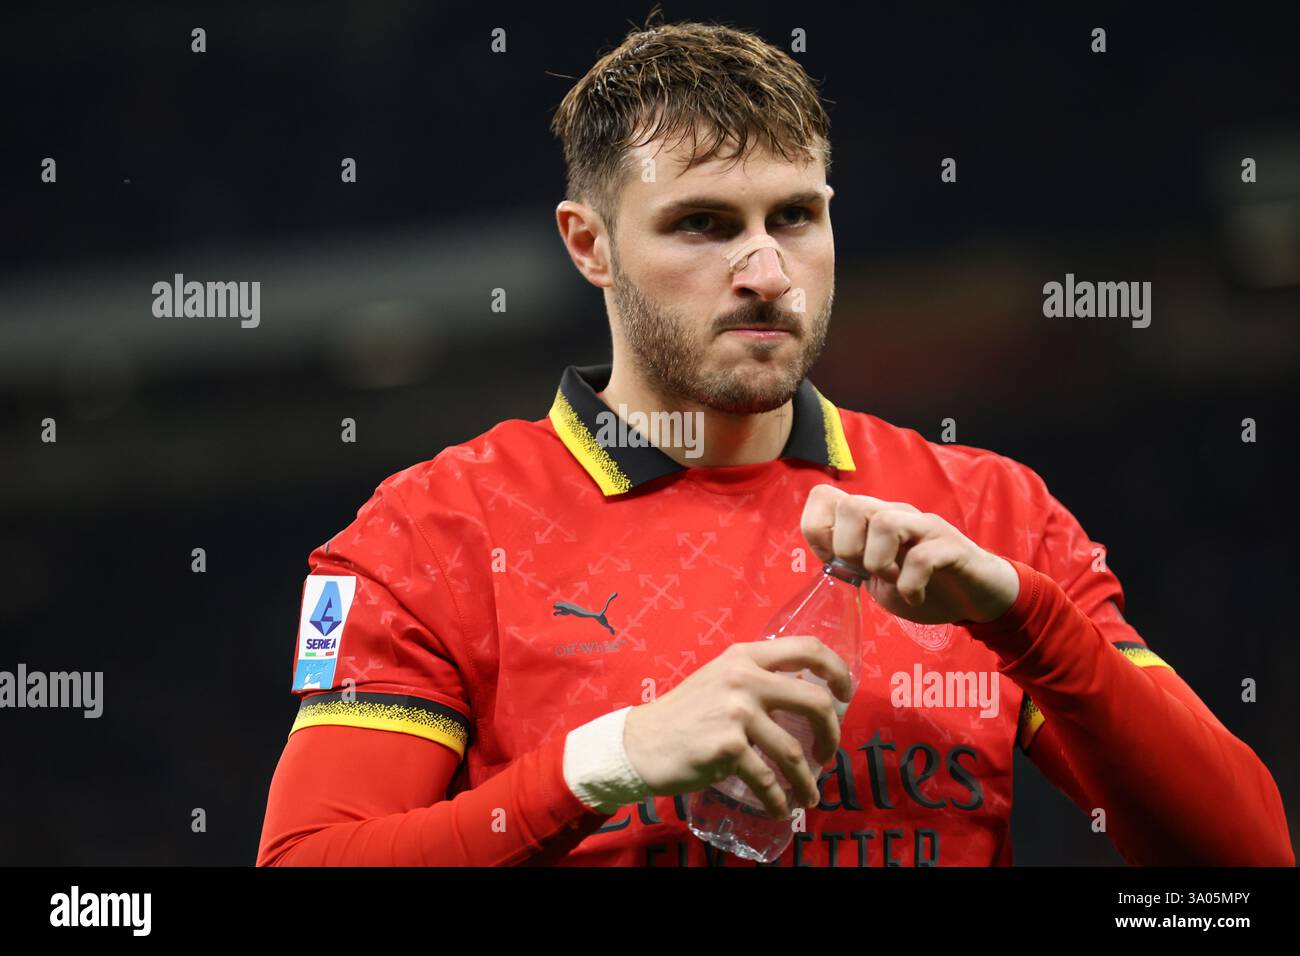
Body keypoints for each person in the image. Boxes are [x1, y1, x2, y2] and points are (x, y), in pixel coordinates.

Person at [256, 19, 1293, 866]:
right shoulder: (433, 532)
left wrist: (1027, 617)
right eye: (703, 225)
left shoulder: (986, 512)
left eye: (795, 215)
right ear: (589, 244)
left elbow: (1244, 858)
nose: (765, 270)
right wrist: (610, 758)